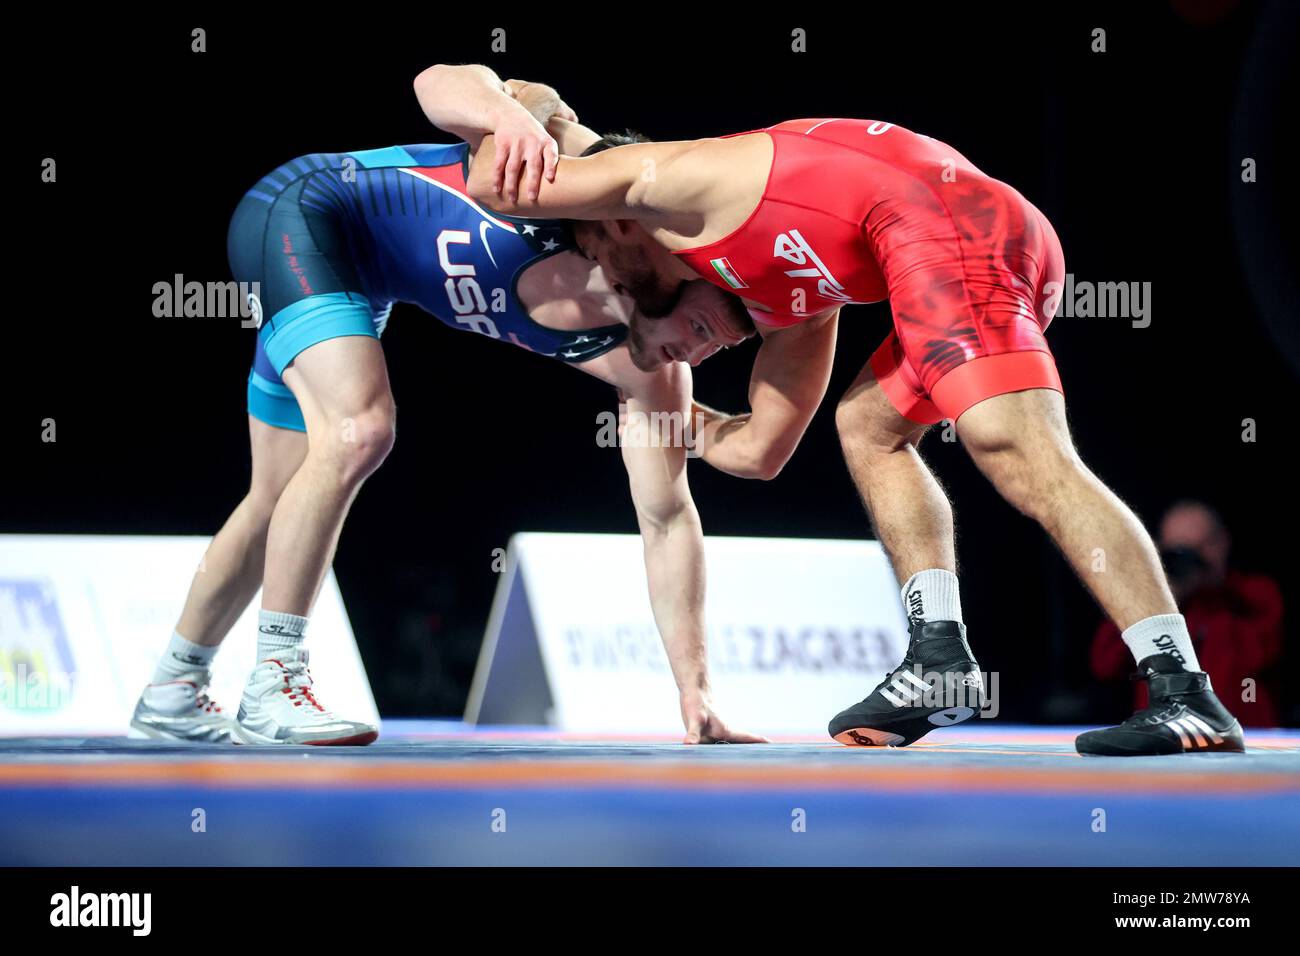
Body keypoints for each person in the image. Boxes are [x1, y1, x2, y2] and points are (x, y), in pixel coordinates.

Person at [466, 116, 1244, 755]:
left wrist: (506, 106)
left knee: (1020, 453)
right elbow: (758, 451)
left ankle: (1183, 689)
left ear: (612, 221)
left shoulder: (663, 178)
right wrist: (662, 403)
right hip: (960, 243)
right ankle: (939, 659)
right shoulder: (791, 303)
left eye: (594, 247)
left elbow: (487, 168)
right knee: (867, 427)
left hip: (951, 229)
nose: (600, 271)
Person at [130, 65, 764, 746]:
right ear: (635, 236)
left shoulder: (649, 373)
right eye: (699, 332)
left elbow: (667, 520)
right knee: (361, 428)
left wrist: (694, 693)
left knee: (279, 496)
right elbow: (438, 80)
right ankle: (274, 685)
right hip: (306, 209)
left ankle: (172, 688)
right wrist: (510, 114)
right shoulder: (560, 172)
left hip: (354, 287)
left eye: (714, 350)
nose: (695, 358)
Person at [1091, 500, 1283, 727]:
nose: (1191, 560)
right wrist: (1161, 598)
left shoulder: (1253, 595)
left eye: (1201, 547)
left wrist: (1212, 591)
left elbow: (1263, 656)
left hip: (1246, 737)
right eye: (1178, 551)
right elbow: (1104, 665)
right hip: (1165, 737)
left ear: (1222, 542)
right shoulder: (1148, 603)